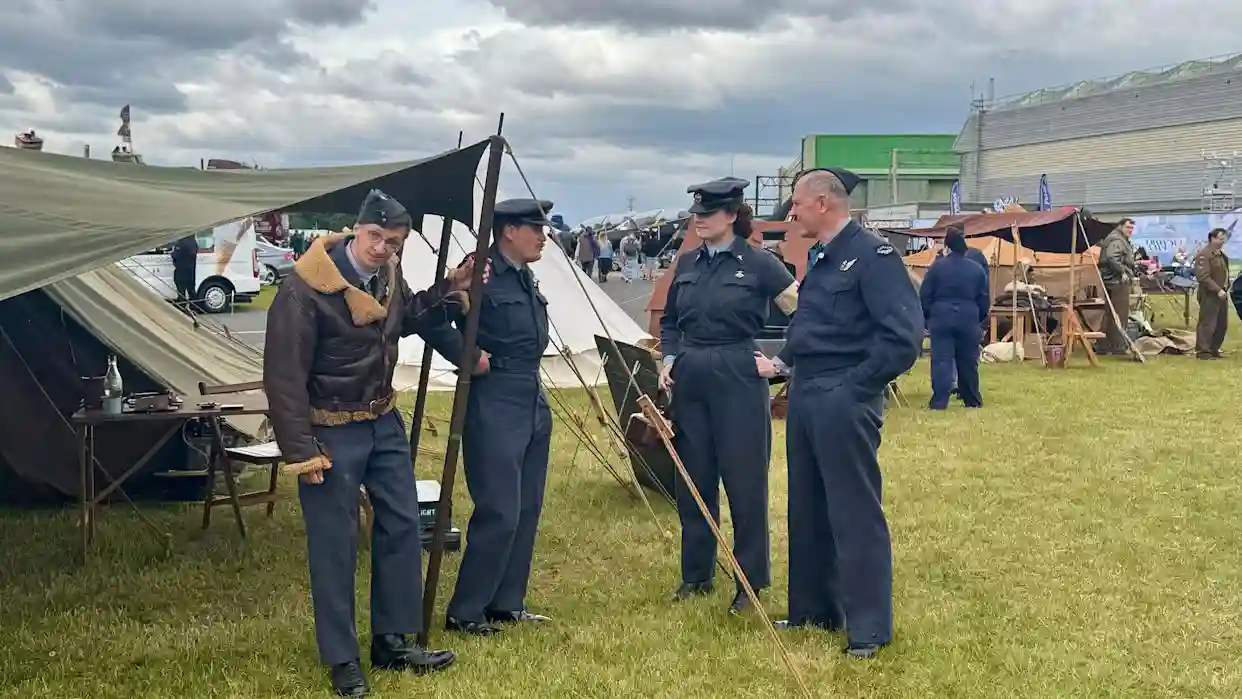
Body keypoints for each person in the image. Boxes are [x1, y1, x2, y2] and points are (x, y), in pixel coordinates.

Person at [264, 189, 476, 697]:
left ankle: (393, 640)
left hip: (382, 422)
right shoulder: (304, 289)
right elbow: (283, 376)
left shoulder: (387, 278)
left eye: (393, 241)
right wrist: (300, 451)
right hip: (329, 431)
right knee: (334, 544)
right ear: (356, 230)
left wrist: (450, 287)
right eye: (375, 236)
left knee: (403, 524)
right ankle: (342, 659)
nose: (382, 248)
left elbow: (400, 322)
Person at [772, 168, 922, 659]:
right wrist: (784, 364)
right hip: (807, 392)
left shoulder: (873, 257)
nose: (791, 213)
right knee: (808, 505)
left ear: (822, 203)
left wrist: (856, 387)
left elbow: (903, 337)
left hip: (844, 393)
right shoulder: (822, 257)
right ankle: (813, 609)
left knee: (854, 511)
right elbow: (811, 326)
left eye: (796, 203)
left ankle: (868, 627)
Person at [658, 177, 798, 614]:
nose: (699, 220)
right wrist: (668, 358)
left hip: (738, 374)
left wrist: (782, 363)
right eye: (696, 214)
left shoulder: (759, 264)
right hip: (692, 377)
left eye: (708, 214)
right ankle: (696, 574)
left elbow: (806, 313)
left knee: (743, 483)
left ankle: (749, 581)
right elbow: (670, 321)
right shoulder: (687, 264)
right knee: (693, 481)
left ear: (732, 215)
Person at [444, 199, 555, 636]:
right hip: (495, 398)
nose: (542, 236)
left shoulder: (524, 276)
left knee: (527, 507)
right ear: (509, 230)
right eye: (535, 228)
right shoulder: (481, 271)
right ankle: (466, 610)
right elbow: (439, 318)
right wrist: (467, 355)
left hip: (530, 393)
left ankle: (507, 602)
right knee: (500, 510)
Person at [920, 228, 989, 409]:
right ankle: (972, 400)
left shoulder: (937, 267)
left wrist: (930, 316)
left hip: (941, 317)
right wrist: (977, 318)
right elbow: (984, 299)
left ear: (947, 246)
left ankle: (940, 401)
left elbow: (925, 295)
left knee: (942, 360)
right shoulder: (976, 269)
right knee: (968, 361)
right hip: (968, 317)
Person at [1096, 218, 1136, 355]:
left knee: (1110, 314)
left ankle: (1102, 345)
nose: (1130, 230)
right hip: (1117, 281)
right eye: (1128, 227)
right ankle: (1118, 346)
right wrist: (1123, 272)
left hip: (1111, 280)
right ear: (1120, 227)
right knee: (1119, 314)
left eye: (1132, 228)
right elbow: (1112, 257)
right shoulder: (1117, 240)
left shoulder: (1117, 238)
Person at [1193, 227, 1231, 359]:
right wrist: (1217, 289)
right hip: (1210, 293)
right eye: (1220, 238)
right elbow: (1203, 277)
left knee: (1221, 323)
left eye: (1224, 238)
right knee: (1208, 322)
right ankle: (1203, 351)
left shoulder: (1220, 254)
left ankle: (1214, 348)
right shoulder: (1204, 254)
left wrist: (1226, 287)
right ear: (1212, 238)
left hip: (1222, 293)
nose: (1222, 241)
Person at [170, 234, 199, 311]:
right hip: (191, 271)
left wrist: (173, 253)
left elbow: (175, 255)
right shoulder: (194, 242)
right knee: (191, 290)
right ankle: (195, 307)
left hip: (181, 270)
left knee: (181, 290)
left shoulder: (182, 242)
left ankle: (182, 307)